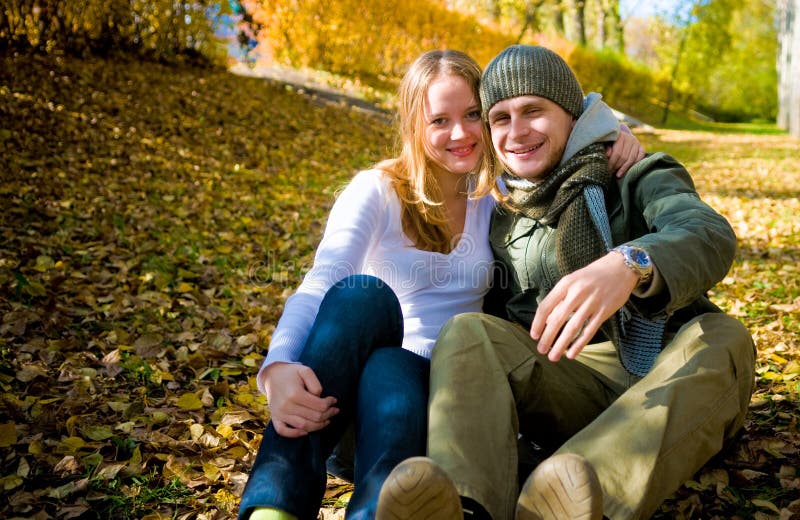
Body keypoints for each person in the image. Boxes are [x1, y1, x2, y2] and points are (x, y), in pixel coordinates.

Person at [238, 49, 643, 520]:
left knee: (396, 370)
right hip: (356, 409)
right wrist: (278, 366)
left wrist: (612, 133)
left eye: (473, 115)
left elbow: (559, 132)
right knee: (363, 301)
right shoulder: (378, 190)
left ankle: (375, 512)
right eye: (439, 120)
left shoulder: (498, 197)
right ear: (415, 126)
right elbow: (321, 280)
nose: (461, 133)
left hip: (452, 405)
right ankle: (274, 508)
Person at [376, 45, 755, 520]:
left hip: (668, 372)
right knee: (469, 331)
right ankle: (466, 507)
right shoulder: (501, 214)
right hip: (570, 382)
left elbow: (707, 233)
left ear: (572, 114)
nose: (517, 131)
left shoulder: (635, 174)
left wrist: (628, 263)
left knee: (724, 337)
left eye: (534, 110)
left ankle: (564, 504)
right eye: (500, 117)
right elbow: (487, 347)